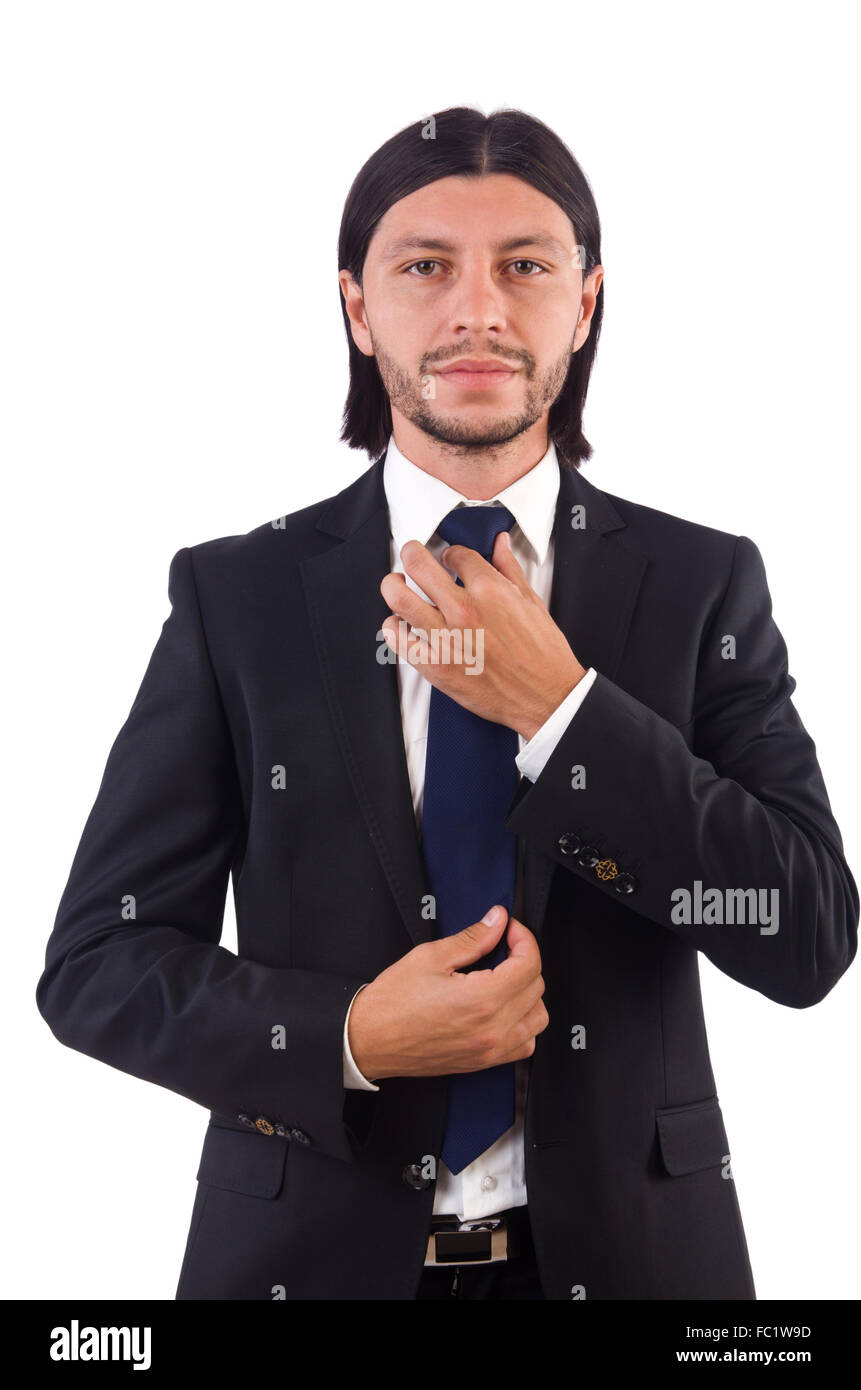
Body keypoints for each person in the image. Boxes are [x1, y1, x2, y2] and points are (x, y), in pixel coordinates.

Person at [37, 106, 858, 1301]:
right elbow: (98, 964)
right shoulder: (238, 595)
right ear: (359, 310)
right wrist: (352, 1039)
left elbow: (806, 931)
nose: (478, 309)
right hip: (300, 1271)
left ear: (583, 305)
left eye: (525, 265)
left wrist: (566, 712)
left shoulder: (699, 582)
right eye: (425, 266)